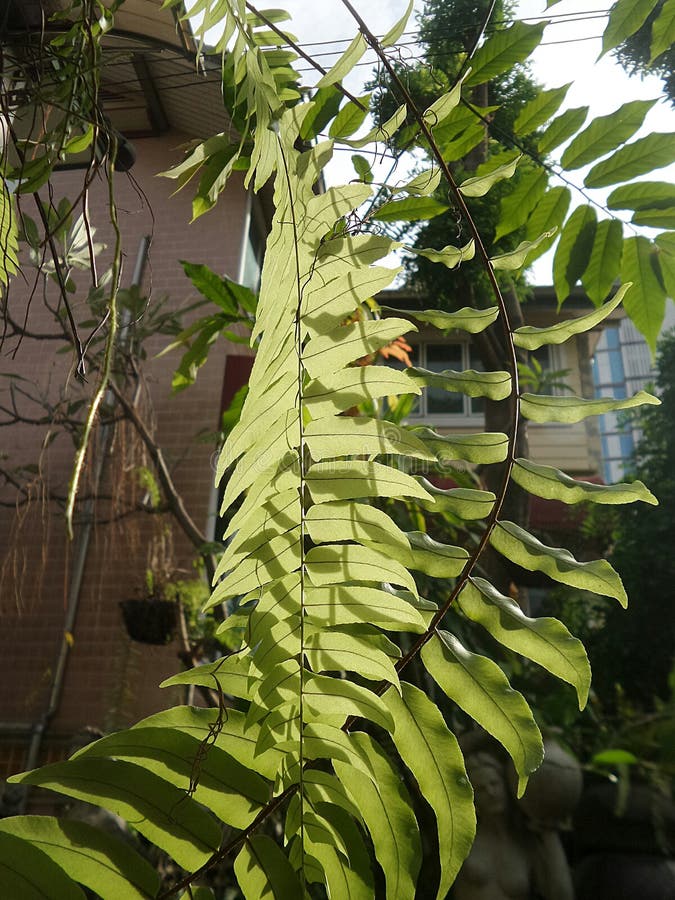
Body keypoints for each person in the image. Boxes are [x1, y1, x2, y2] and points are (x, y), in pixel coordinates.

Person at [453, 750, 574, 900]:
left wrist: (548, 830)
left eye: (494, 783)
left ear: (506, 785)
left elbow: (562, 895)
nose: (491, 792)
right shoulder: (461, 838)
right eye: (481, 789)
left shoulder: (525, 842)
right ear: (473, 798)